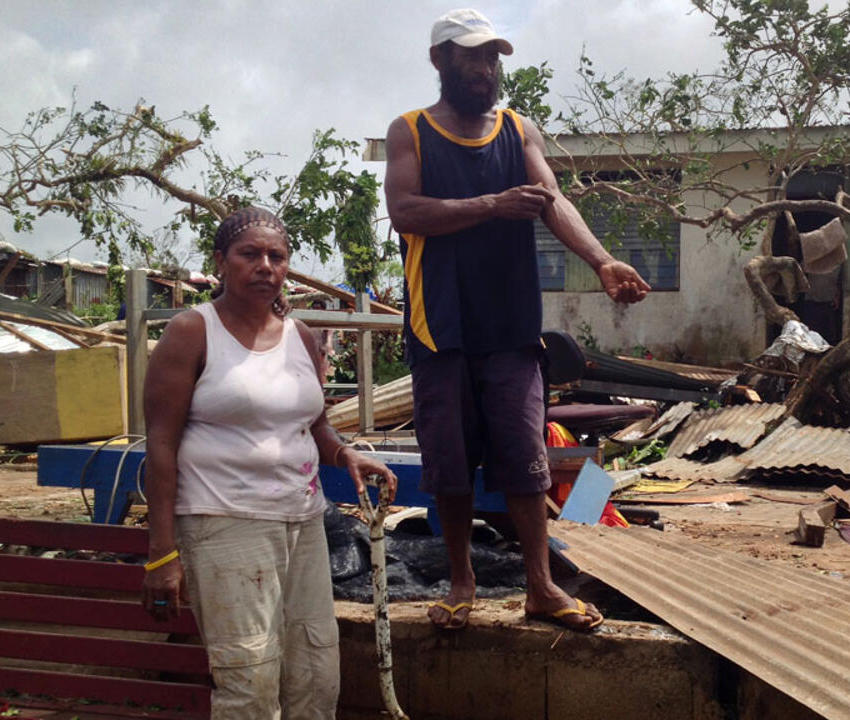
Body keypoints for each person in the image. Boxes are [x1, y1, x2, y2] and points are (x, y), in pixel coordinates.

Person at [384, 8, 650, 632]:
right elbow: (405, 211)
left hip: (511, 324)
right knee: (449, 462)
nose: (485, 69)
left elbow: (552, 202)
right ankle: (462, 582)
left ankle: (541, 586)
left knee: (527, 460)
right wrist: (492, 204)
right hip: (440, 325)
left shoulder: (517, 128)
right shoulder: (410, 131)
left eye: (492, 58)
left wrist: (602, 260)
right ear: (440, 60)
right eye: (471, 56)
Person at [141, 207, 397, 718]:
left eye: (276, 257)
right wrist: (161, 554)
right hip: (224, 521)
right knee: (249, 677)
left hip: (302, 521)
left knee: (316, 670)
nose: (265, 266)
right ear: (220, 261)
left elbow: (313, 424)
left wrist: (343, 452)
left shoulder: (299, 335)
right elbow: (161, 444)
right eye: (249, 254)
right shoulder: (192, 332)